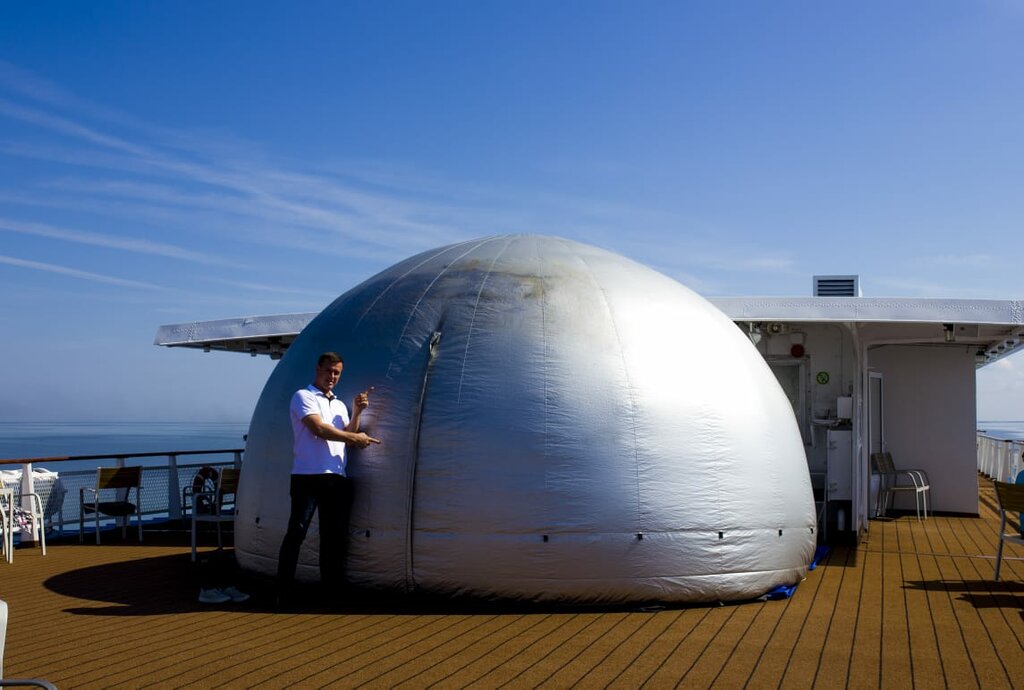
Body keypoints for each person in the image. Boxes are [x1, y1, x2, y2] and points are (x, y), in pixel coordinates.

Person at [276, 352, 380, 606]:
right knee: (296, 532)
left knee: (333, 537)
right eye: (328, 371)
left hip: (336, 477)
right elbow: (319, 429)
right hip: (307, 477)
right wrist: (355, 438)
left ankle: (331, 592)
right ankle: (283, 592)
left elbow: (346, 433)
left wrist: (356, 412)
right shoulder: (303, 397)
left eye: (336, 373)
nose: (332, 377)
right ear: (317, 369)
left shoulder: (339, 405)